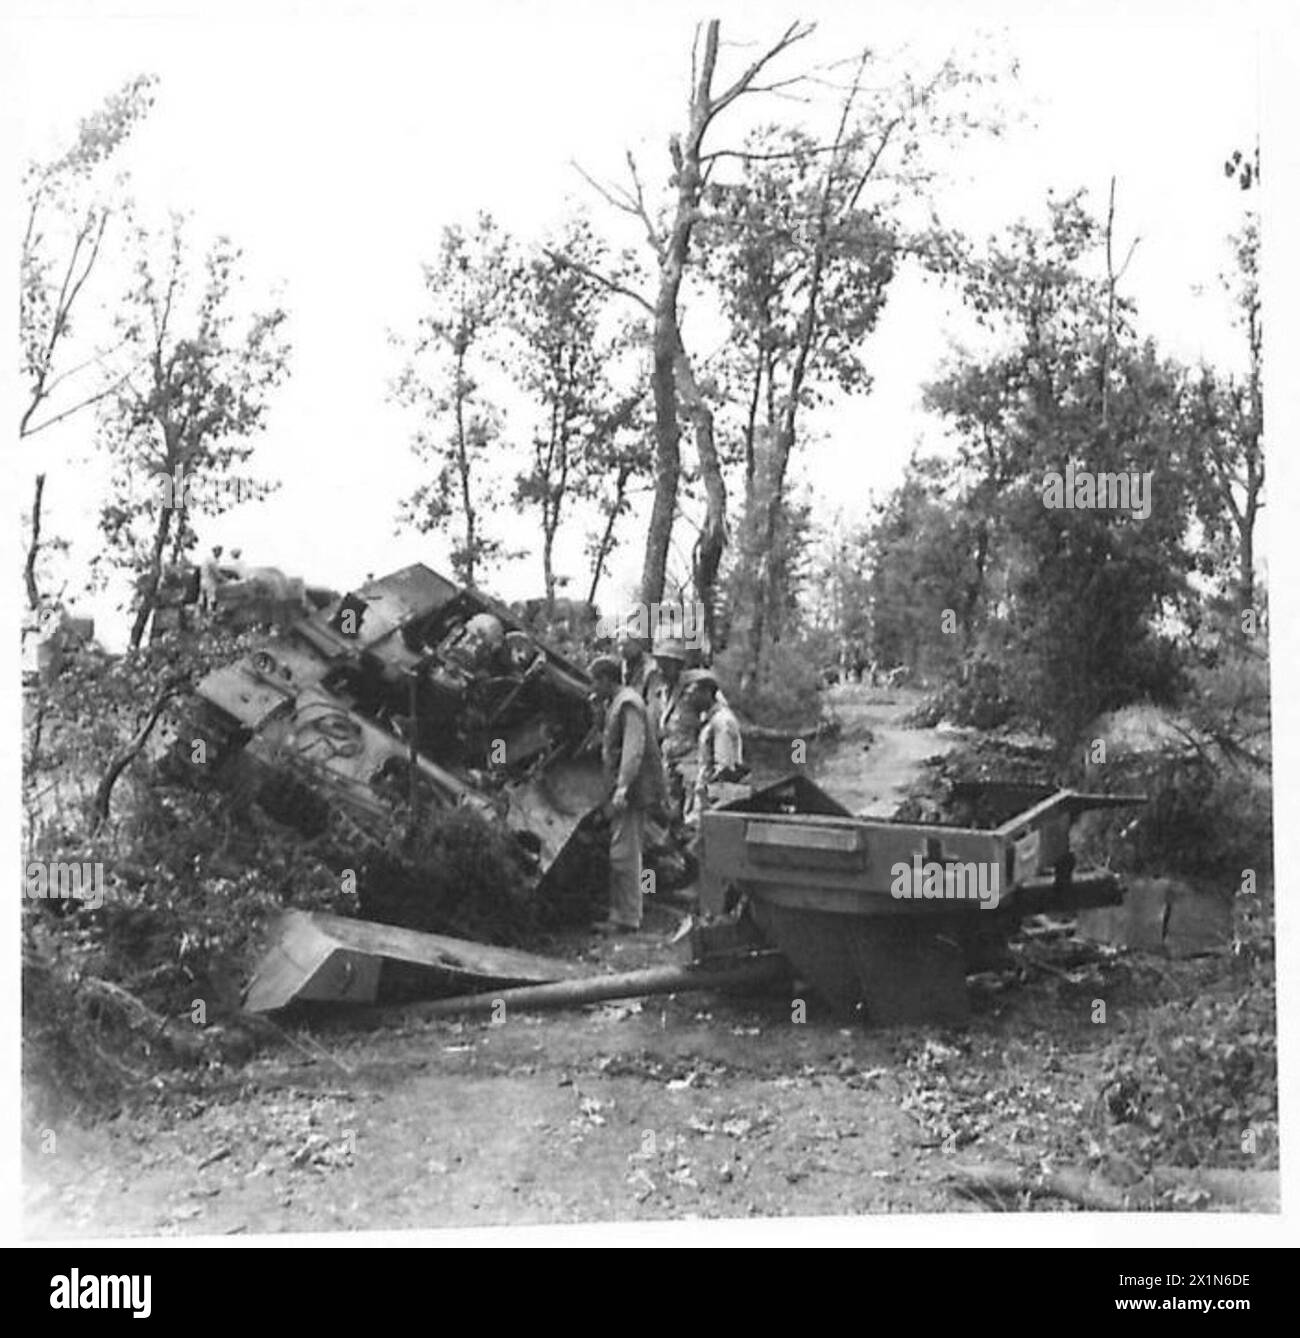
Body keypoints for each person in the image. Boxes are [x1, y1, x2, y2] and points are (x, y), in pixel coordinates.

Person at [588, 654, 666, 933]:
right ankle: (625, 913)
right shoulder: (615, 703)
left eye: (595, 681)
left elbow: (634, 749)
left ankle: (627, 918)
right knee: (626, 851)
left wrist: (622, 787)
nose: (592, 686)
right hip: (627, 789)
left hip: (633, 790)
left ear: (607, 679)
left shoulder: (629, 703)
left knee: (624, 854)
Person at [685, 668, 747, 819]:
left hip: (715, 806)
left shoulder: (722, 722)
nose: (688, 696)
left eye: (693, 691)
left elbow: (725, 770)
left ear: (706, 693)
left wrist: (707, 805)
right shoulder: (709, 720)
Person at [647, 635, 697, 821]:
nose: (661, 669)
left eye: (667, 664)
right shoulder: (659, 693)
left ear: (678, 665)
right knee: (669, 816)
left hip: (692, 764)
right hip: (668, 764)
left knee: (692, 820)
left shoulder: (695, 691)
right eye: (659, 663)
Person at [199, 545, 224, 614]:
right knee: (211, 599)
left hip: (203, 581)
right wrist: (227, 580)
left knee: (202, 598)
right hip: (209, 581)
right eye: (219, 551)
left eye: (220, 552)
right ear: (215, 551)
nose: (220, 554)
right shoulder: (212, 560)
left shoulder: (209, 559)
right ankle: (210, 615)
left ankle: (202, 615)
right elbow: (217, 574)